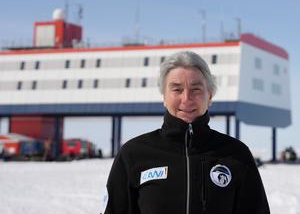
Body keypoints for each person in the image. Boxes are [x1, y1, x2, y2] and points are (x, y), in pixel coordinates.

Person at [102, 51, 270, 214]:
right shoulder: (133, 154)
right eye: (177, 89)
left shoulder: (236, 154)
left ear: (209, 96)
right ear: (164, 97)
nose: (186, 98)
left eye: (196, 89)